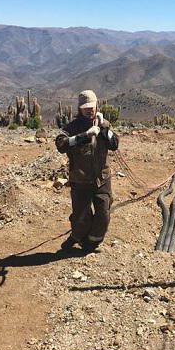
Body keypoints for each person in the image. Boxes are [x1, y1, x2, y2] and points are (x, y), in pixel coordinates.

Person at [55, 90, 119, 252]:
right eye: (86, 107)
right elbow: (61, 144)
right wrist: (83, 135)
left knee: (103, 213)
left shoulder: (103, 124)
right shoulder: (73, 127)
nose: (89, 110)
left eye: (92, 106)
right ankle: (76, 236)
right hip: (80, 180)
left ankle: (91, 242)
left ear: (97, 105)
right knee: (81, 217)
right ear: (79, 108)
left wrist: (104, 128)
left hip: (102, 179)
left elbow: (114, 144)